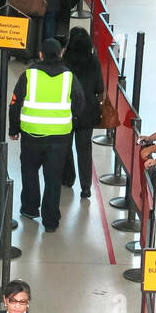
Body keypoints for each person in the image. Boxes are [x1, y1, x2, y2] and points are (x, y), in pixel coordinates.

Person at [9, 37, 85, 231]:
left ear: (40, 55)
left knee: (29, 171)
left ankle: (29, 208)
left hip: (31, 135)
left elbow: (15, 103)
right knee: (53, 179)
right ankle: (51, 221)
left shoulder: (29, 75)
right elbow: (79, 102)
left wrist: (14, 128)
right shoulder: (69, 76)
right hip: (59, 138)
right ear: (60, 54)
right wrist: (70, 120)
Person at [61, 27, 104, 198]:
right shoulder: (93, 61)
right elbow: (99, 87)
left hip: (67, 109)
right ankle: (86, 186)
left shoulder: (64, 62)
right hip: (87, 110)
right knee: (84, 149)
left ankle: (68, 178)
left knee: (65, 145)